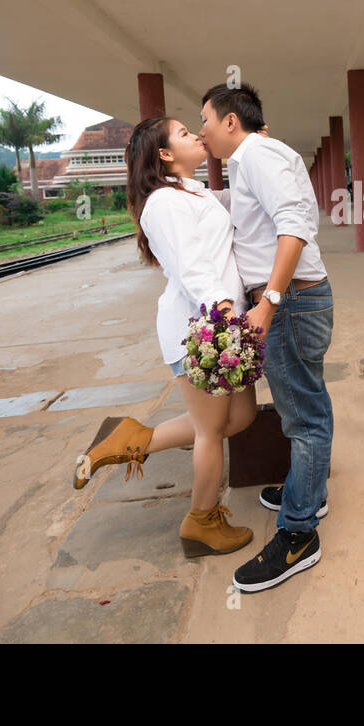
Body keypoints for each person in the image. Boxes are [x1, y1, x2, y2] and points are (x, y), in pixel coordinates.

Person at [72, 116, 257, 558]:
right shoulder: (164, 203)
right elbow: (193, 266)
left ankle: (129, 440)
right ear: (165, 154)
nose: (196, 135)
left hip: (218, 327)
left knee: (241, 417)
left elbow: (242, 203)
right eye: (184, 133)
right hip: (202, 329)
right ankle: (201, 521)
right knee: (212, 432)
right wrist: (226, 311)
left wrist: (255, 145)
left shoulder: (191, 192)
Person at [200, 81, 334, 593]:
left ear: (231, 121)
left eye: (206, 121)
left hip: (291, 303)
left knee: (304, 418)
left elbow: (294, 223)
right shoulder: (254, 159)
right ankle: (310, 489)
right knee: (307, 405)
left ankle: (300, 534)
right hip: (296, 300)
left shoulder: (256, 154)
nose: (204, 132)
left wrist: (268, 303)